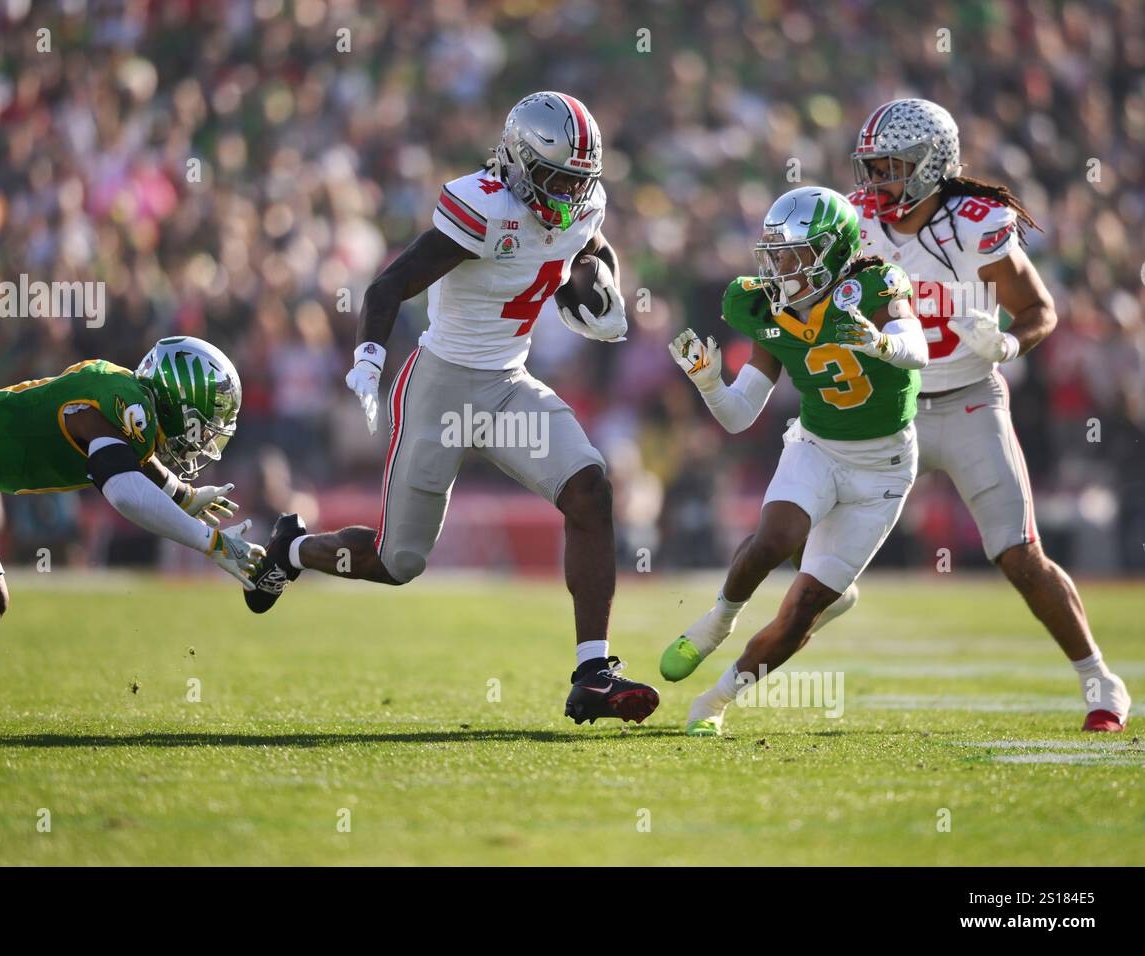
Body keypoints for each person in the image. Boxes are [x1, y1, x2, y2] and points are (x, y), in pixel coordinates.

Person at [244, 92, 659, 725]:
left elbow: (590, 241)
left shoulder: (582, 201)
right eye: (554, 178)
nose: (567, 194)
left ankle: (593, 672)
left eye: (578, 181)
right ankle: (291, 550)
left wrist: (601, 283)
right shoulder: (485, 207)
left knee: (590, 488)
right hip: (439, 387)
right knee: (397, 560)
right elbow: (389, 285)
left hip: (507, 383)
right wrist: (368, 360)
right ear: (519, 161)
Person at [849, 98, 1131, 731]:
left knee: (1017, 551)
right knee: (822, 546)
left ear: (930, 165)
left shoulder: (974, 224)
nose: (876, 183)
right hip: (895, 404)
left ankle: (1099, 682)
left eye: (890, 167)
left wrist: (1006, 344)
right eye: (871, 168)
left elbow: (1040, 310)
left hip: (972, 399)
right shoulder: (858, 220)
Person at [0, 337, 264, 717]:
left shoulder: (124, 394)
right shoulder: (124, 405)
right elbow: (121, 489)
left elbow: (131, 455)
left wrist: (183, 496)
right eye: (201, 423)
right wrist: (212, 544)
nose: (203, 438)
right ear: (176, 399)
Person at [662, 186, 928, 736]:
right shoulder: (763, 306)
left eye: (792, 254)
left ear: (831, 254)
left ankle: (715, 701)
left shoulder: (873, 286)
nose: (778, 267)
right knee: (776, 537)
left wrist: (881, 344)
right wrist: (709, 382)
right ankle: (718, 621)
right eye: (774, 254)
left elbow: (917, 347)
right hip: (817, 444)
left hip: (883, 467)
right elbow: (739, 415)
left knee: (803, 608)